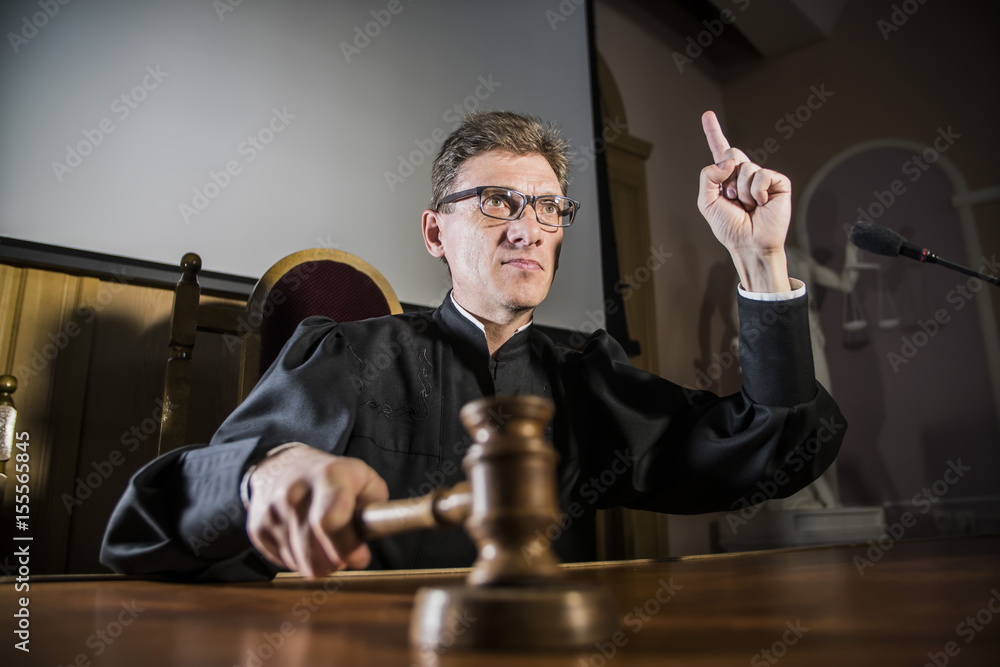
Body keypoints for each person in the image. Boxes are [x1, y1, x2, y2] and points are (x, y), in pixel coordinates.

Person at [101, 110, 846, 581]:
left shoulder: (587, 381)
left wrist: (760, 260)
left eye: (548, 208)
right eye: (496, 202)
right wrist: (259, 474)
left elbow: (778, 447)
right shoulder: (344, 356)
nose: (527, 228)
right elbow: (149, 524)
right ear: (435, 232)